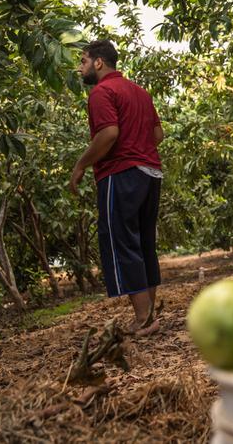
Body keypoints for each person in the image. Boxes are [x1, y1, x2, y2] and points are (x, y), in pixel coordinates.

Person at [69, 40, 165, 336]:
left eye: (83, 61)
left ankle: (143, 318)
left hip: (120, 174)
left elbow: (109, 133)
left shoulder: (102, 92)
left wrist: (81, 164)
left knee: (121, 241)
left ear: (99, 62)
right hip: (151, 172)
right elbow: (157, 134)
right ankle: (148, 315)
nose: (80, 67)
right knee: (144, 242)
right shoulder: (139, 92)